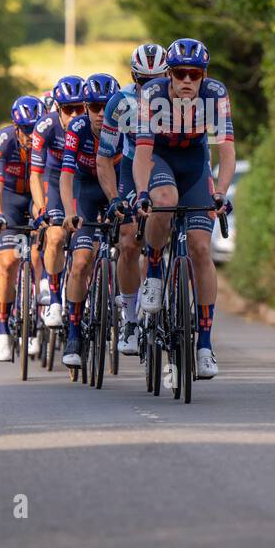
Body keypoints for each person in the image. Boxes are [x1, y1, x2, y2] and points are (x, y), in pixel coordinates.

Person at [133, 38, 235, 379]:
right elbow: (144, 152)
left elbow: (226, 152)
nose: (187, 80)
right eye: (179, 73)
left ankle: (204, 344)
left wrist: (220, 192)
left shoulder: (216, 94)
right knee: (163, 203)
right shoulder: (153, 95)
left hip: (194, 164)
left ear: (203, 75)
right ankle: (153, 271)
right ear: (169, 74)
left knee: (201, 248)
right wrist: (142, 192)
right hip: (161, 158)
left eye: (194, 74)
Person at [97, 43, 168, 356]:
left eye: (157, 81)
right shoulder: (120, 102)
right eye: (143, 82)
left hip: (169, 163)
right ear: (132, 78)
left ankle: (171, 284)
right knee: (128, 241)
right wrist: (114, 198)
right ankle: (129, 318)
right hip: (130, 165)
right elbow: (104, 157)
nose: (150, 89)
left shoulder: (182, 99)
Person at [59, 72, 122, 368]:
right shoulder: (77, 127)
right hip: (85, 190)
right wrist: (69, 211)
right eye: (95, 107)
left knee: (132, 242)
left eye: (107, 106)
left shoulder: (127, 127)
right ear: (85, 107)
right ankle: (73, 332)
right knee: (82, 260)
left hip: (117, 187)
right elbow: (66, 175)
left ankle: (129, 311)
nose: (101, 113)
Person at [0, 95, 45, 362]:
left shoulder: (45, 138)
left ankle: (38, 313)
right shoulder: (4, 141)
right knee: (8, 262)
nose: (32, 135)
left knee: (36, 255)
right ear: (15, 125)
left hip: (37, 197)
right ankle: (2, 330)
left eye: (36, 127)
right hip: (10, 199)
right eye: (26, 129)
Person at [31, 75, 86, 332]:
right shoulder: (45, 127)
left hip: (83, 181)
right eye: (68, 109)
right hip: (54, 181)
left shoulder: (94, 124)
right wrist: (41, 207)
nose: (75, 115)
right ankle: (54, 300)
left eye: (80, 108)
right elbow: (35, 173)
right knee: (54, 236)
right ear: (57, 108)